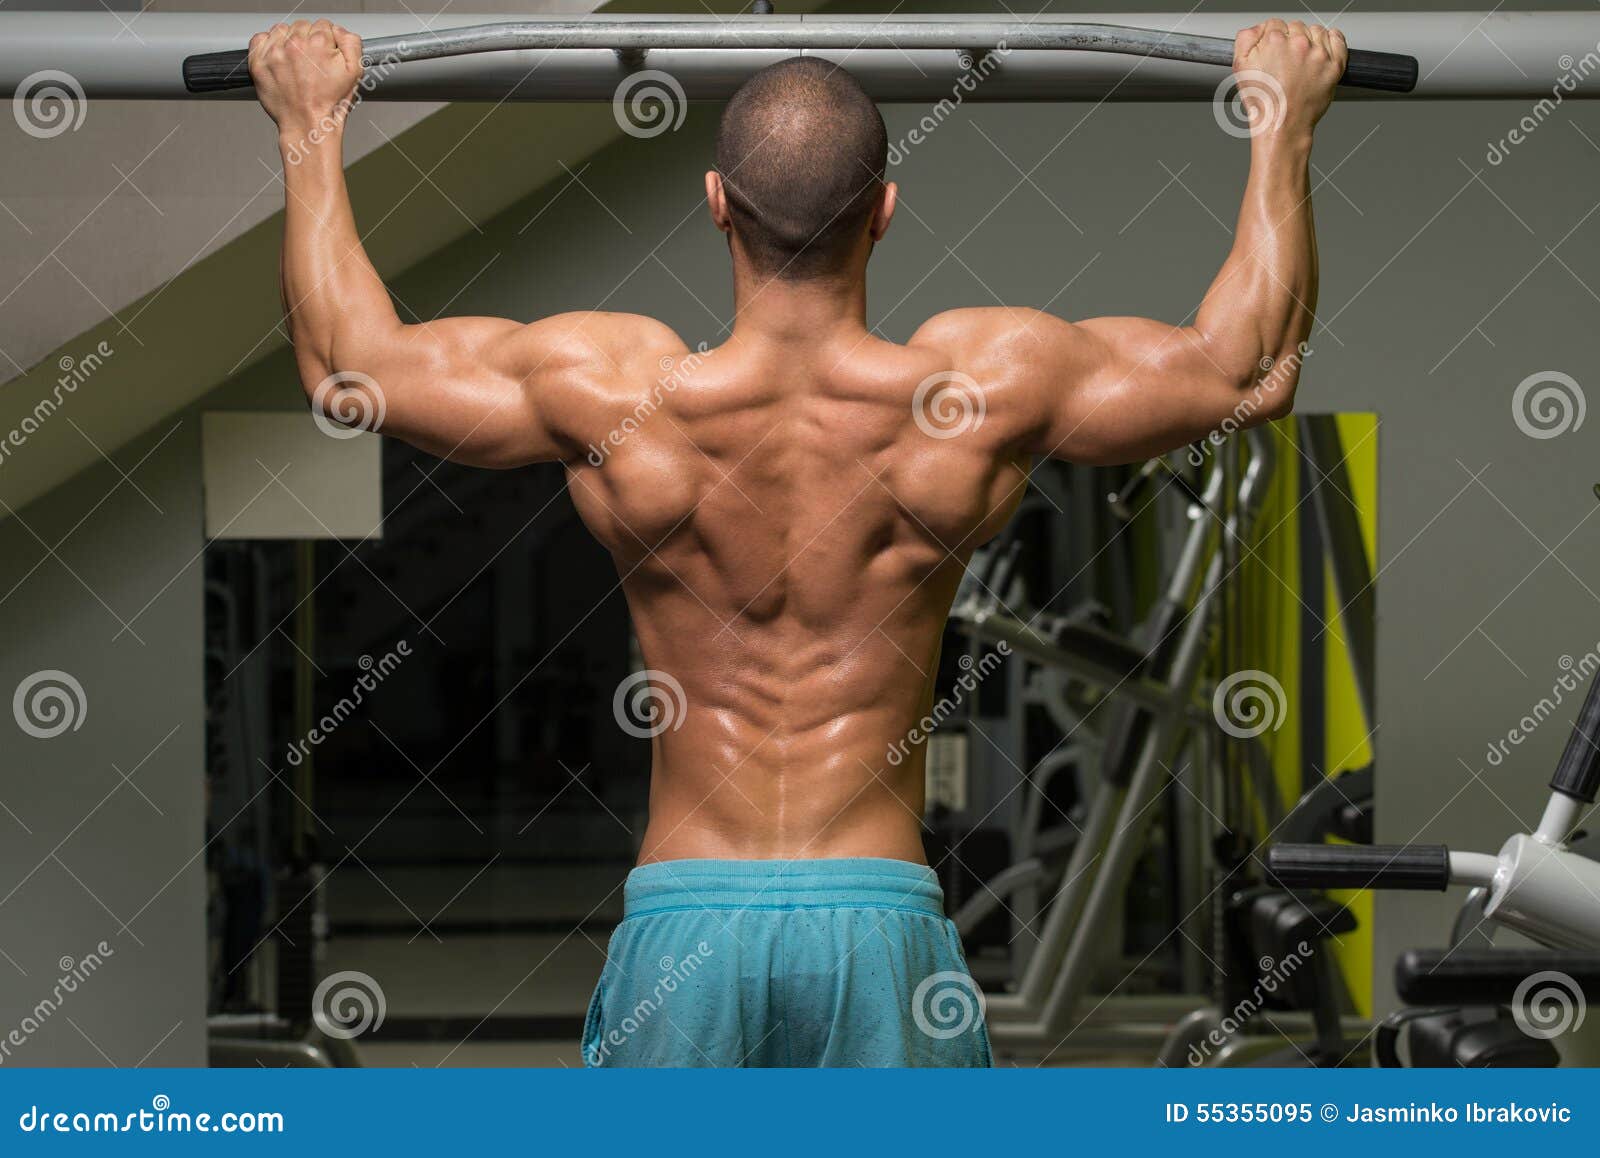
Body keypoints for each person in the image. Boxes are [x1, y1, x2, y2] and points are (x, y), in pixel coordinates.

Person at [248, 18, 1346, 1066]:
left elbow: (347, 367)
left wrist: (310, 124)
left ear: (716, 204)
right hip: (879, 925)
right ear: (885, 209)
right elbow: (1242, 366)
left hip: (690, 924)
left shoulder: (618, 389)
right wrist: (1281, 120)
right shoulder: (975, 388)